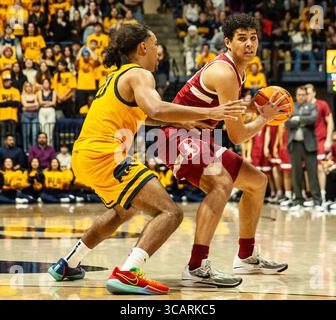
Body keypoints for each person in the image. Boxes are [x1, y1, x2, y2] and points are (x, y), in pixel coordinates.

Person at [47, 24, 246, 295]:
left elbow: (146, 114)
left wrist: (188, 120)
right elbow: (155, 107)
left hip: (84, 155)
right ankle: (129, 273)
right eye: (155, 46)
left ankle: (68, 263)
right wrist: (213, 110)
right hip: (106, 154)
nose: (158, 53)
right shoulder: (140, 74)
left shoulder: (118, 74)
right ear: (143, 47)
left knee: (124, 210)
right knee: (170, 213)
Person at [156, 13, 289, 287]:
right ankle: (196, 266)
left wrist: (254, 108)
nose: (249, 44)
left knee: (257, 182)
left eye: (253, 38)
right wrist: (264, 118)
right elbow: (237, 135)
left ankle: (246, 256)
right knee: (221, 184)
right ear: (228, 42)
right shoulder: (225, 72)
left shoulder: (237, 69)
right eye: (242, 39)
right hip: (174, 136)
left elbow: (230, 112)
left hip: (196, 137)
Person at [285, 86, 322, 210]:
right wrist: (299, 121)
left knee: (312, 173)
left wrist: (298, 119)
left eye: (303, 95)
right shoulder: (291, 106)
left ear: (307, 96)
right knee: (296, 174)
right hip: (295, 144)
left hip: (309, 145)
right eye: (298, 94)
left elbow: (313, 119)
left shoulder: (312, 106)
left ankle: (317, 201)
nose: (300, 97)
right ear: (296, 95)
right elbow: (286, 122)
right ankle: (298, 201)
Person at [305, 83, 334, 205]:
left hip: (321, 140)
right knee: (309, 170)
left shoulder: (322, 104)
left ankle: (322, 196)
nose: (307, 95)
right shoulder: (303, 107)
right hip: (307, 142)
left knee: (320, 168)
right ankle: (313, 196)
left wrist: (328, 139)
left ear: (314, 93)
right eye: (306, 93)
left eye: (309, 92)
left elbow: (330, 121)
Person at [0, 74, 21, 138]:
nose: (6, 82)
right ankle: (3, 148)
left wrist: (5, 103)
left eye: (8, 80)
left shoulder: (15, 91)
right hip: (2, 117)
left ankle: (13, 148)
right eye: (5, 81)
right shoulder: (0, 91)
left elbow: (16, 104)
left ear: (11, 81)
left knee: (13, 135)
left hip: (12, 116)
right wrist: (10, 102)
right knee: (2, 135)